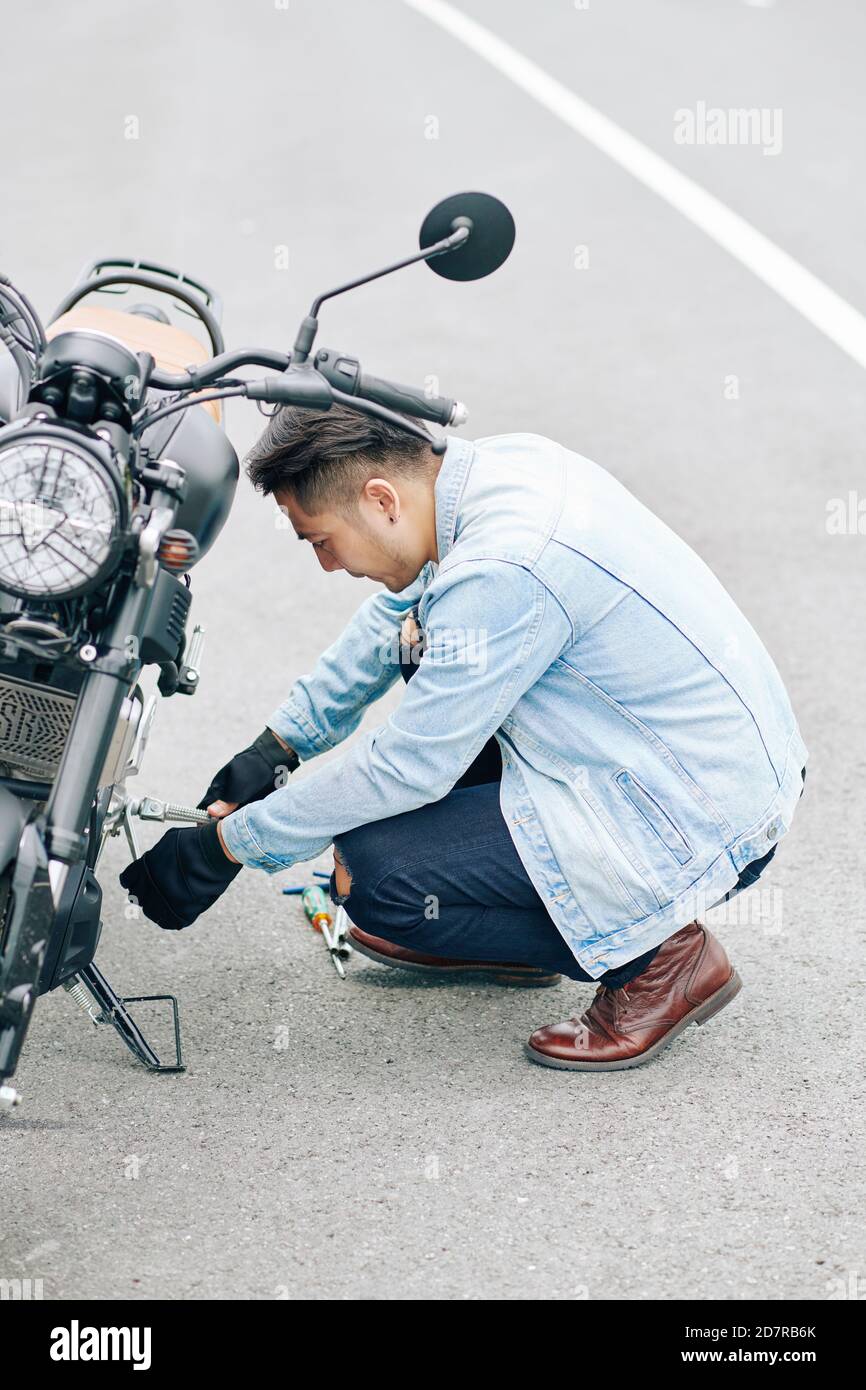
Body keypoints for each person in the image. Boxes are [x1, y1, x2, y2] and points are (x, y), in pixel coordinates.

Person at [120, 406, 808, 1071]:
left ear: (381, 499)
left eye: (320, 540)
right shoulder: (490, 473)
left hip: (693, 815)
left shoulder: (505, 569)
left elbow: (408, 768)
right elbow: (392, 618)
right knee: (427, 653)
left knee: (377, 879)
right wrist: (279, 745)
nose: (326, 565)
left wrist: (230, 846)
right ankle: (520, 930)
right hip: (683, 761)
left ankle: (659, 960)